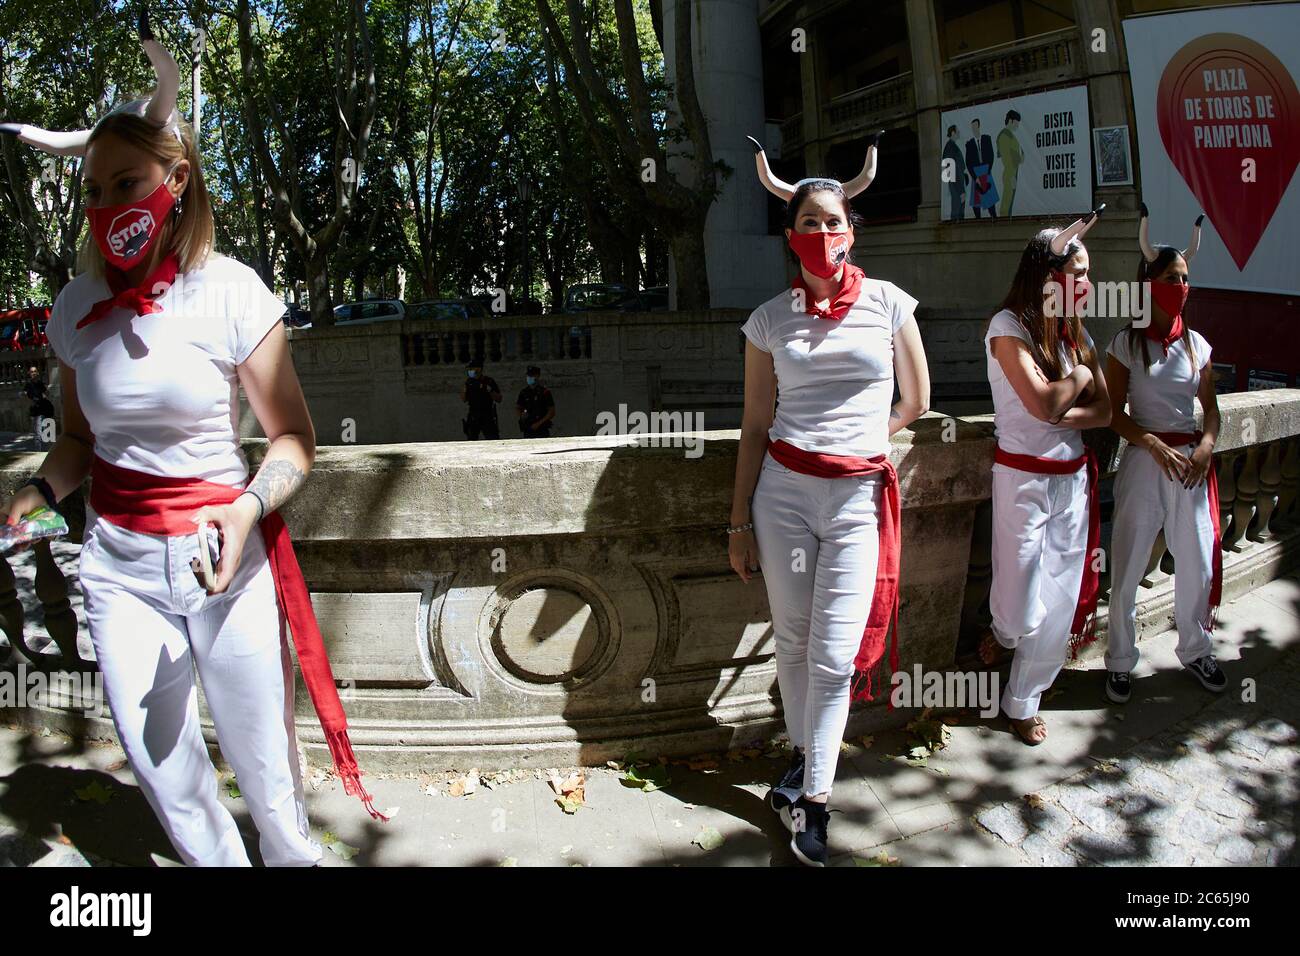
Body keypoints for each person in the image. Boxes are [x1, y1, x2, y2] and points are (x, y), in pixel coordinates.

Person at [0, 14, 381, 866]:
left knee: (264, 761)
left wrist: (246, 513)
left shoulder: (233, 291)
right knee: (161, 764)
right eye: (94, 190)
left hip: (225, 557)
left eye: (125, 182)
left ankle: (290, 858)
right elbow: (75, 440)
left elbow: (294, 440)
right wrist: (42, 491)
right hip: (118, 564)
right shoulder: (74, 309)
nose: (107, 206)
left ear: (175, 179)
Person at [736, 133, 930, 865]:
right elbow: (755, 425)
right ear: (792, 237)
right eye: (809, 222)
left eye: (833, 220)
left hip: (855, 499)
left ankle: (814, 801)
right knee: (792, 640)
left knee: (833, 654)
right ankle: (802, 760)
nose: (822, 232)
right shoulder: (768, 319)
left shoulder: (889, 303)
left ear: (852, 230)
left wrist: (863, 440)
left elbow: (918, 398)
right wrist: (736, 521)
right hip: (782, 496)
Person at [978, 208, 1111, 745]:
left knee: (1058, 598)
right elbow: (1042, 404)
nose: (1088, 284)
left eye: (1088, 274)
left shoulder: (1077, 334)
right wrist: (1077, 376)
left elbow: (1105, 412)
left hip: (1072, 479)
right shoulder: (1007, 328)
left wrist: (1060, 411)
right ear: (1048, 275)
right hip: (1022, 479)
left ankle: (1022, 700)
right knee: (1018, 600)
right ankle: (1003, 631)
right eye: (1079, 273)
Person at [1103, 204, 1224, 702]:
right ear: (1149, 284)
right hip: (1143, 462)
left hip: (1190, 468)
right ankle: (1119, 660)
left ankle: (1197, 650)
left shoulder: (1198, 346)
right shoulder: (1125, 344)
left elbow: (1211, 410)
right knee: (1129, 563)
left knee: (1197, 563)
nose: (1181, 286)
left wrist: (1207, 447)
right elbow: (1111, 413)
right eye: (1173, 278)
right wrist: (1151, 443)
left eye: (1186, 278)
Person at [965, 118, 999, 219]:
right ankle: (978, 220)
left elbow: (991, 156)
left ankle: (994, 218)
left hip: (986, 171)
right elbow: (968, 162)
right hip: (976, 173)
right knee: (976, 201)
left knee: (990, 199)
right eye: (972, 127)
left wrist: (987, 172)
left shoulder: (986, 139)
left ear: (979, 126)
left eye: (975, 126)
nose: (974, 129)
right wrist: (975, 177)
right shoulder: (969, 144)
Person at [461, 358, 501, 439]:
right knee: (471, 438)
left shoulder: (488, 381)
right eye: (469, 369)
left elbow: (499, 399)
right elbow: (464, 399)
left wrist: (488, 389)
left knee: (492, 438)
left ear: (479, 369)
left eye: (472, 368)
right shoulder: (469, 382)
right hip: (474, 414)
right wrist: (464, 390)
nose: (470, 371)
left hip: (487, 414)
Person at [516, 365, 555, 438]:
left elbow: (551, 412)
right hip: (528, 428)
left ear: (537, 376)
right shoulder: (524, 392)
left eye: (532, 375)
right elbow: (518, 407)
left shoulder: (544, 392)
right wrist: (521, 415)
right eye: (528, 375)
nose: (529, 378)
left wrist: (538, 423)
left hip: (542, 428)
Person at [997, 110, 1023, 218]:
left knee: (1010, 202)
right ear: (1011, 121)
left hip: (1012, 171)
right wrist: (1012, 176)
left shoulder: (1010, 136)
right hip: (1010, 172)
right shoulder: (1004, 136)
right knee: (1007, 203)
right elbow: (1007, 158)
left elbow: (1018, 156)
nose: (1017, 126)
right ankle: (1004, 222)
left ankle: (1006, 219)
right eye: (1016, 123)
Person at [24, 365, 56, 450]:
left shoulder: (40, 383)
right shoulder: (28, 384)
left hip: (44, 409)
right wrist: (30, 399)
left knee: (46, 431)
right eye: (32, 372)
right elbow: (25, 396)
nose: (33, 373)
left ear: (37, 373)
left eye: (35, 371)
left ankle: (47, 450)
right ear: (29, 373)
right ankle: (38, 451)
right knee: (38, 433)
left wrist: (45, 395)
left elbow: (46, 393)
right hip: (35, 410)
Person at [942, 125, 967, 222]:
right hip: (957, 185)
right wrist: (961, 190)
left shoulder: (951, 146)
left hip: (957, 183)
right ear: (953, 133)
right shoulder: (950, 147)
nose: (959, 133)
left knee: (958, 212)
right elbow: (951, 170)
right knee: (957, 212)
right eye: (958, 131)